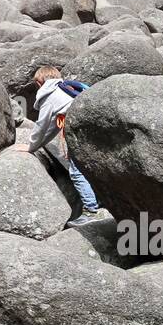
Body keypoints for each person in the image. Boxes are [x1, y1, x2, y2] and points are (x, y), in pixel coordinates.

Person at [14, 65, 102, 227]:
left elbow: (42, 126)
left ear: (39, 83)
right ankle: (102, 203)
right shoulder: (66, 89)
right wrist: (38, 144)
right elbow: (54, 127)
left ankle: (91, 211)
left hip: (81, 132)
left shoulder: (49, 96)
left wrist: (31, 147)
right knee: (91, 169)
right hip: (96, 130)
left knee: (76, 172)